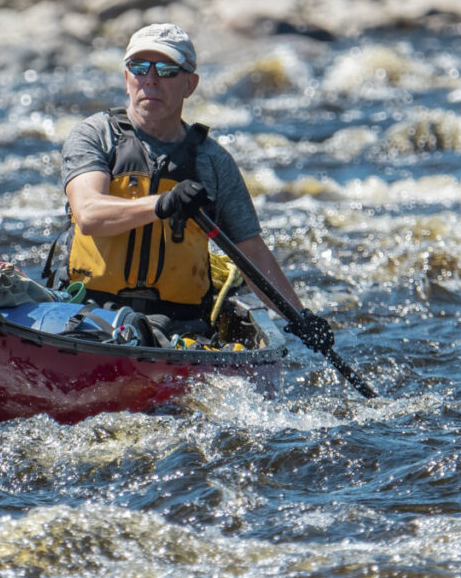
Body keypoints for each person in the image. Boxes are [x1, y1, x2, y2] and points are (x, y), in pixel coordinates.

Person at [51, 22, 334, 353]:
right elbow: (89, 213)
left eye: (166, 70)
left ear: (190, 84)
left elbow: (251, 251)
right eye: (139, 67)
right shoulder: (95, 136)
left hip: (180, 326)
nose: (150, 79)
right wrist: (163, 203)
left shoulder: (212, 161)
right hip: (89, 312)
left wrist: (299, 316)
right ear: (126, 77)